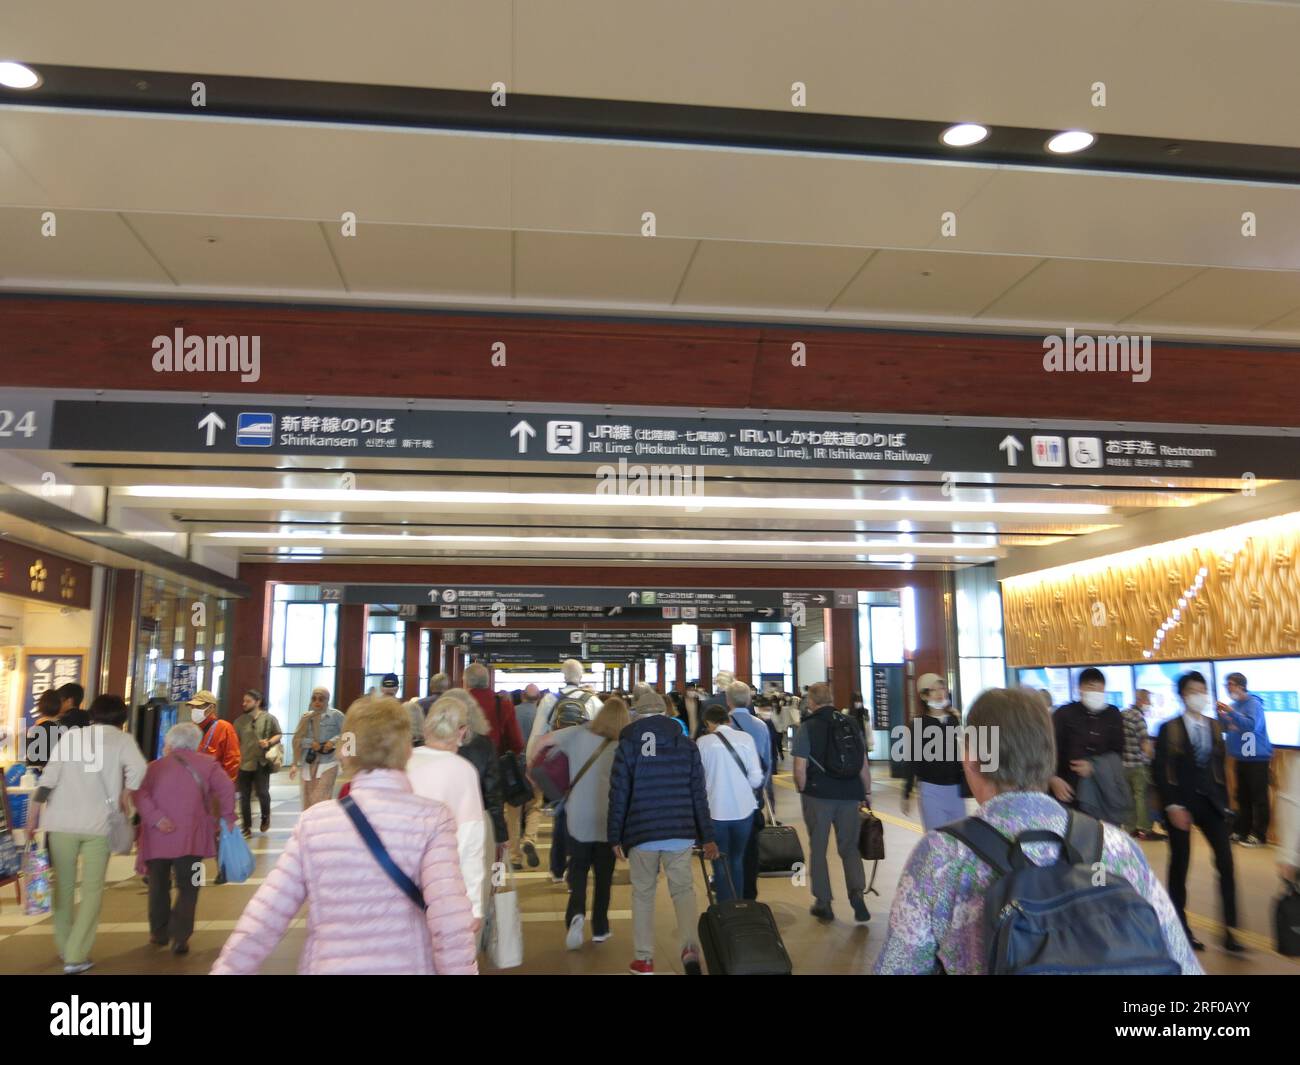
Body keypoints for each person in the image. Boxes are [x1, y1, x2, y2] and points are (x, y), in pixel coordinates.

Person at [874, 687, 1201, 975]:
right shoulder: (1116, 847)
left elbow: (898, 966)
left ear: (971, 758)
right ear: (1049, 754)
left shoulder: (941, 857)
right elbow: (1180, 960)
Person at [211, 696, 478, 975]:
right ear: (407, 751)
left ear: (346, 751)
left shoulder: (314, 823)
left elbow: (267, 914)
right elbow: (450, 920)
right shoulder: (432, 819)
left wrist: (228, 969)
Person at [34, 693, 148, 974]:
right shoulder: (122, 740)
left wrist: (33, 815)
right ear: (121, 719)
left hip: (60, 823)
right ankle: (76, 954)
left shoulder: (71, 737)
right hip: (98, 825)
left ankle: (64, 947)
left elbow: (49, 777)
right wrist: (126, 791)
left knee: (63, 887)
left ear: (93, 714)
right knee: (92, 890)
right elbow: (140, 769)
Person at [607, 686, 717, 975]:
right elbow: (698, 794)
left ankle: (644, 959)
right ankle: (690, 948)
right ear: (666, 713)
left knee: (643, 893)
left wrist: (614, 835)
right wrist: (707, 836)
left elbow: (618, 794)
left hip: (641, 830)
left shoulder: (628, 745)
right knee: (682, 890)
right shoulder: (686, 745)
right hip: (680, 829)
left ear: (637, 714)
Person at [1153, 670, 1243, 953]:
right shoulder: (1170, 728)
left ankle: (1230, 930)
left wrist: (1227, 806)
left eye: (1202, 690)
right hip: (1181, 805)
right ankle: (1179, 927)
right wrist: (1172, 806)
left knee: (1226, 864)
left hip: (1212, 804)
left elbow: (1219, 768)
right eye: (1193, 690)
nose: (1199, 695)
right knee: (1180, 865)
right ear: (1182, 695)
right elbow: (1160, 771)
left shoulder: (1216, 727)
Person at [535, 696, 630, 950]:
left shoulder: (577, 733)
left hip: (577, 814)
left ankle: (576, 913)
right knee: (603, 874)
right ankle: (600, 927)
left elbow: (543, 741)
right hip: (609, 818)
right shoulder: (624, 743)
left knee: (577, 868)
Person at [134, 721, 237, 955]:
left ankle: (158, 933)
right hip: (193, 838)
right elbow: (226, 789)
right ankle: (181, 936)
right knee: (191, 886)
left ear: (169, 742)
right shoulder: (208, 764)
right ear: (196, 743)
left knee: (158, 885)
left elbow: (138, 793)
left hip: (157, 837)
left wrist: (156, 818)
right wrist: (228, 816)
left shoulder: (154, 767)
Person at [792, 681, 872, 923]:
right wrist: (866, 792)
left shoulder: (807, 728)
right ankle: (857, 895)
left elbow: (799, 768)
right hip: (849, 794)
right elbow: (863, 763)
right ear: (831, 698)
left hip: (818, 796)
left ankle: (824, 902)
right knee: (849, 848)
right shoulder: (851, 723)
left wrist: (803, 789)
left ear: (811, 702)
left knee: (818, 849)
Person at [407, 696, 487, 931]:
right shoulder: (463, 771)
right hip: (441, 882)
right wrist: (474, 904)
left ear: (426, 726)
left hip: (398, 878)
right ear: (462, 731)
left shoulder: (402, 760)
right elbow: (470, 841)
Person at [464, 664, 531, 871]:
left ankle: (474, 856)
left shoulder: (459, 704)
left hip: (466, 770)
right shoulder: (502, 704)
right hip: (499, 766)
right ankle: (512, 855)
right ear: (488, 681)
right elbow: (517, 742)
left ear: (466, 682)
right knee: (511, 812)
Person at [697, 704, 763, 903]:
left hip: (715, 811)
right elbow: (756, 779)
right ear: (728, 720)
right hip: (744, 810)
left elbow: (698, 779)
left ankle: (725, 910)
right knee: (737, 860)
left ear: (709, 722)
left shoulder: (703, 743)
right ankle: (739, 904)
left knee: (719, 861)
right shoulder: (746, 739)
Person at [448, 688, 509, 870]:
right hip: (476, 821)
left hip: (443, 823)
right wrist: (500, 834)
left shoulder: (429, 747)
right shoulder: (484, 745)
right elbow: (493, 794)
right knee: (476, 877)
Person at [1049, 667, 1124, 811]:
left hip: (1100, 788)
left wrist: (1095, 766)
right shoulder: (1064, 714)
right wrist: (1052, 778)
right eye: (1091, 688)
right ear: (1080, 689)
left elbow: (1118, 752)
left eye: (1100, 690)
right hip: (1066, 788)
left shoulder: (1112, 714)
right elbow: (1047, 749)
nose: (1096, 694)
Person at [901, 673, 966, 831]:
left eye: (942, 688)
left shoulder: (953, 719)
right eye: (933, 690)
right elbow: (913, 761)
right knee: (935, 842)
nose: (939, 693)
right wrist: (906, 792)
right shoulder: (918, 724)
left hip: (956, 790)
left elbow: (963, 752)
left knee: (960, 843)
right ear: (924, 695)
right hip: (931, 789)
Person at [724, 679, 770, 900]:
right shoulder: (761, 726)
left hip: (725, 797)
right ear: (750, 699)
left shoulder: (723, 727)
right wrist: (760, 790)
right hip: (752, 794)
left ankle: (730, 891)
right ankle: (749, 893)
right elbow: (768, 763)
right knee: (750, 847)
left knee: (728, 847)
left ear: (728, 700)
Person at [1218, 671, 1273, 848]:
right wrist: (1222, 717)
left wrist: (1232, 714)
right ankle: (1242, 830)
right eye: (1227, 685)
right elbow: (1228, 728)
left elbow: (1251, 726)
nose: (1228, 688)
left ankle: (1259, 835)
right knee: (1242, 797)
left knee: (1258, 798)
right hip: (1241, 757)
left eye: (1231, 684)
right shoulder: (1234, 705)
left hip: (1257, 758)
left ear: (1242, 686)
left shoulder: (1253, 703)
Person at [234, 689, 282, 839]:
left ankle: (265, 817)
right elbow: (235, 740)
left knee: (262, 792)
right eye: (244, 701)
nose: (244, 704)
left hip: (261, 762)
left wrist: (268, 742)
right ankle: (246, 827)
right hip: (244, 763)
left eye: (248, 701)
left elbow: (278, 734)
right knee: (245, 796)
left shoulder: (269, 719)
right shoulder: (239, 721)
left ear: (258, 702)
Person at [529, 659, 603, 754]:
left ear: (564, 676)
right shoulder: (593, 701)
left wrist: (530, 762)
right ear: (581, 677)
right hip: (582, 756)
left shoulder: (549, 699)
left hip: (556, 758)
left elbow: (537, 734)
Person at [289, 687, 345, 811]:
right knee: (308, 799)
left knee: (321, 798)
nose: (317, 702)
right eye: (314, 698)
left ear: (327, 700)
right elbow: (297, 739)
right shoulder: (306, 718)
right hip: (308, 762)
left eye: (321, 699)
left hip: (329, 762)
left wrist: (333, 741)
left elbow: (348, 734)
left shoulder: (336, 716)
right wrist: (310, 744)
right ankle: (309, 828)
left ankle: (322, 826)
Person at [1122, 688, 1164, 841]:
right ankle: (1145, 830)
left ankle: (1130, 828)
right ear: (1142, 700)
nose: (1150, 705)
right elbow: (1145, 745)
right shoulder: (1139, 717)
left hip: (1124, 764)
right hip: (1138, 765)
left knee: (1130, 798)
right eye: (1149, 701)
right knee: (1142, 797)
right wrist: (1154, 757)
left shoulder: (1123, 714)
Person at [406, 672, 451, 747]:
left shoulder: (419, 704)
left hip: (424, 743)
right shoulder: (454, 704)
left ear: (431, 686)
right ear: (448, 687)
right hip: (447, 743)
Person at [24, 688, 63, 774]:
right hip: (57, 777)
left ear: (40, 708)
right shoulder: (64, 730)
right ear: (60, 707)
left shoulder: (33, 729)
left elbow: (30, 759)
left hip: (36, 777)